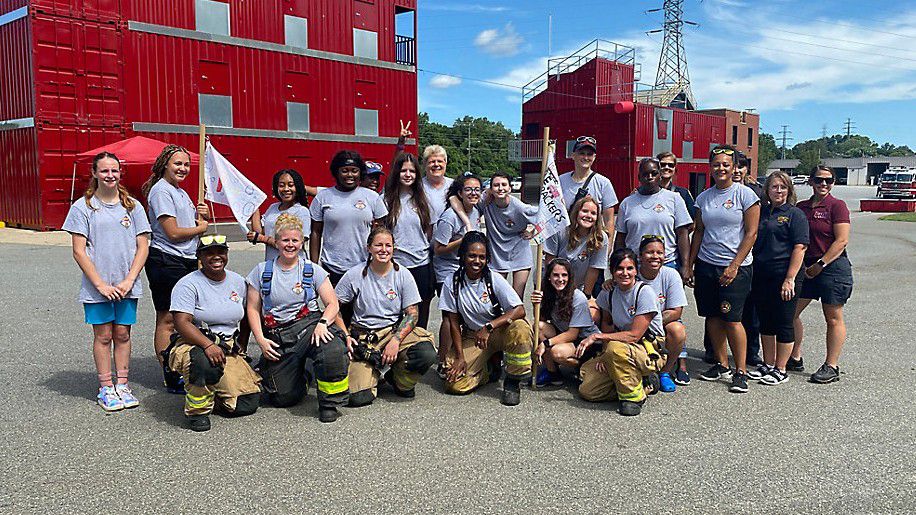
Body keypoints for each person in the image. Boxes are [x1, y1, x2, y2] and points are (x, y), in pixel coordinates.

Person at [62, 152, 151, 411]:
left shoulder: (133, 207)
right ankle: (106, 387)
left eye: (114, 170)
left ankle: (122, 384)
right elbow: (79, 251)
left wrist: (129, 280)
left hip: (126, 285)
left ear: (120, 173)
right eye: (104, 171)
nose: (110, 175)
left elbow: (143, 246)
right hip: (97, 287)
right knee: (103, 336)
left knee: (122, 334)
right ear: (94, 173)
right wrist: (100, 285)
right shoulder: (83, 207)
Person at [246, 214, 351, 422]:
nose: (290, 245)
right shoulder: (261, 271)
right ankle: (306, 372)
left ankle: (329, 403)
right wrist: (260, 339)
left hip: (309, 326)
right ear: (276, 242)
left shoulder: (312, 270)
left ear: (302, 242)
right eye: (285, 240)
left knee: (331, 348)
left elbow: (332, 304)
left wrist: (323, 324)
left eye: (295, 240)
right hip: (278, 334)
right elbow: (252, 309)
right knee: (283, 397)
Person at [683, 145, 760, 393]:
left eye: (726, 164)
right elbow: (699, 232)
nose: (721, 168)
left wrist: (734, 265)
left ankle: (741, 371)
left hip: (734, 267)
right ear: (710, 167)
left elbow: (751, 233)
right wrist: (690, 265)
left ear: (734, 167)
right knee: (712, 317)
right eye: (716, 164)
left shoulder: (745, 195)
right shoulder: (704, 198)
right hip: (707, 264)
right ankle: (721, 364)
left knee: (732, 319)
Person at [167, 235, 261, 432]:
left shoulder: (237, 281)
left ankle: (215, 392)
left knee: (247, 403)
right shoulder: (188, 284)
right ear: (199, 257)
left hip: (227, 346)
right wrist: (208, 345)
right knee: (202, 363)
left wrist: (242, 343)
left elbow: (246, 316)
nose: (216, 257)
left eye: (221, 252)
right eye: (209, 253)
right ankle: (198, 412)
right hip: (193, 344)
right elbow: (181, 323)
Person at [335, 227, 437, 407]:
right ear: (369, 248)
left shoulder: (403, 274)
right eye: (378, 245)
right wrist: (346, 335)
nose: (383, 250)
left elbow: (413, 314)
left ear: (393, 248)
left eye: (388, 245)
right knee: (358, 398)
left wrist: (396, 340)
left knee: (425, 353)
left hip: (392, 332)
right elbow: (333, 307)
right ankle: (372, 374)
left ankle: (398, 379)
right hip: (365, 337)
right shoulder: (354, 274)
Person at [141, 144, 210, 392]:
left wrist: (200, 216)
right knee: (168, 318)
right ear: (165, 165)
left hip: (186, 259)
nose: (183, 168)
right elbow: (172, 232)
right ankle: (169, 373)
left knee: (185, 316)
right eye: (178, 163)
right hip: (167, 259)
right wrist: (201, 228)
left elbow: (185, 224)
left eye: (186, 164)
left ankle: (182, 364)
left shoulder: (179, 191)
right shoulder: (161, 191)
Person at [439, 232, 533, 406]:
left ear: (487, 259)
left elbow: (520, 310)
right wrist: (459, 357)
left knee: (520, 328)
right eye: (472, 256)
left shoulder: (494, 279)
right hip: (473, 337)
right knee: (453, 382)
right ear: (462, 256)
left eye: (482, 257)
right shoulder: (452, 282)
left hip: (497, 332)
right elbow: (453, 322)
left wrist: (489, 327)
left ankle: (513, 381)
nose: (477, 261)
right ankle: (489, 370)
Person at [579, 248, 665, 416]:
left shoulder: (644, 292)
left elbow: (634, 335)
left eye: (630, 268)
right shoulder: (609, 292)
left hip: (648, 349)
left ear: (636, 271)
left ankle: (633, 398)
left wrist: (597, 337)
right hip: (622, 348)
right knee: (588, 389)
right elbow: (607, 324)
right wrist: (605, 355)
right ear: (612, 272)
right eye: (619, 269)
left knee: (615, 349)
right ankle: (641, 383)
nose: (625, 273)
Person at [791, 165, 852, 384]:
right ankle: (795, 357)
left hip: (832, 267)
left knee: (833, 317)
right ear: (811, 181)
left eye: (828, 180)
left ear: (833, 183)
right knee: (791, 313)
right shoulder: (801, 207)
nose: (823, 184)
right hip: (806, 268)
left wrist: (821, 264)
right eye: (818, 180)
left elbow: (842, 240)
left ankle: (831, 366)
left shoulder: (837, 206)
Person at [750, 172, 808, 385]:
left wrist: (789, 278)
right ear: (767, 190)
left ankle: (781, 369)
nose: (778, 191)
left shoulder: (795, 214)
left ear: (789, 190)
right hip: (762, 274)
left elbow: (800, 247)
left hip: (785, 275)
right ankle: (768, 363)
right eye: (774, 187)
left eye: (783, 187)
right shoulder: (762, 212)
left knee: (783, 321)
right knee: (765, 321)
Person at [309, 150, 388, 288]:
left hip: (364, 266)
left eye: (354, 171)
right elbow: (315, 232)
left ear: (360, 173)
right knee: (334, 302)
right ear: (336, 172)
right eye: (345, 171)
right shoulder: (323, 197)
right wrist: (314, 266)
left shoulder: (372, 197)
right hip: (331, 267)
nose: (350, 175)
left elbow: (381, 232)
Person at [433, 174, 484, 368]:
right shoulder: (449, 218)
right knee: (449, 316)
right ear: (460, 193)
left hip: (466, 269)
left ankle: (459, 353)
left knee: (463, 314)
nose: (473, 193)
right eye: (468, 189)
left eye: (476, 189)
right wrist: (463, 240)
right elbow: (438, 249)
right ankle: (442, 360)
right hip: (447, 270)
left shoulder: (474, 211)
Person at [382, 152, 436, 328]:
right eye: (403, 170)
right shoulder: (386, 199)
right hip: (396, 264)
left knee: (421, 312)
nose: (407, 174)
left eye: (412, 171)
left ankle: (420, 341)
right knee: (396, 311)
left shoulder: (424, 200)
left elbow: (429, 231)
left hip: (421, 264)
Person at [530, 258, 599, 387]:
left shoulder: (578, 297)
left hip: (584, 340)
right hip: (564, 333)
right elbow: (541, 320)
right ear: (549, 277)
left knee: (557, 352)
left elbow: (573, 334)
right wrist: (536, 305)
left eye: (564, 275)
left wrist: (545, 344)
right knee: (538, 326)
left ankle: (585, 366)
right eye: (555, 275)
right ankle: (553, 373)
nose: (560, 279)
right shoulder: (549, 293)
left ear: (570, 277)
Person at [614, 157, 692, 272]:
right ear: (639, 177)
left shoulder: (675, 198)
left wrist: (686, 266)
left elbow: (682, 234)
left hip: (667, 264)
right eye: (645, 174)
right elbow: (620, 239)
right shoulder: (627, 203)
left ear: (660, 175)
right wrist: (616, 265)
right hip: (635, 266)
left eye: (654, 173)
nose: (650, 177)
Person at [635, 236, 690, 390]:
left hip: (658, 323)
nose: (655, 256)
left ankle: (665, 372)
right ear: (640, 256)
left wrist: (649, 323)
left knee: (678, 330)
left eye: (659, 253)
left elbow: (676, 311)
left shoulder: (671, 275)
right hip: (632, 323)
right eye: (650, 252)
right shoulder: (630, 273)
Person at [478, 172, 537, 298]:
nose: (500, 188)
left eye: (504, 185)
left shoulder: (520, 207)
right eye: (496, 185)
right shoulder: (486, 202)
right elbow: (462, 201)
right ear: (490, 189)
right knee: (496, 296)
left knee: (516, 297)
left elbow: (544, 217)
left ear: (510, 188)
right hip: (496, 253)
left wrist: (533, 232)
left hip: (520, 252)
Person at [733, 151, 765, 367]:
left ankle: (752, 352)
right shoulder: (716, 191)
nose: (737, 170)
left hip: (753, 257)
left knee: (750, 308)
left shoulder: (757, 193)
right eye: (734, 166)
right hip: (726, 257)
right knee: (718, 309)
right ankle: (713, 350)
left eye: (741, 166)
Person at [544, 195, 609, 298]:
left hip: (578, 286)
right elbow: (550, 261)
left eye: (593, 213)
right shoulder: (560, 230)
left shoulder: (601, 238)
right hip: (552, 280)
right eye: (584, 211)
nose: (588, 215)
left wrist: (587, 295)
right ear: (576, 212)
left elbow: (594, 269)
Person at [559, 136, 618, 235]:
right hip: (565, 238)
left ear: (594, 157)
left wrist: (608, 243)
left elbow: (609, 221)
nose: (586, 158)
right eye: (581, 153)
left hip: (593, 240)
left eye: (589, 154)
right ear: (573, 155)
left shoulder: (603, 183)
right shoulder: (560, 181)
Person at [248, 169, 311, 261]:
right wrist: (255, 206)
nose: (286, 189)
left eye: (291, 185)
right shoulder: (272, 208)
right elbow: (259, 233)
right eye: (281, 185)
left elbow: (297, 244)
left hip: (293, 265)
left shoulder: (302, 211)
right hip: (271, 263)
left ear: (298, 187)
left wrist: (263, 239)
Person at [657, 151, 696, 220]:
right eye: (662, 164)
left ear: (675, 168)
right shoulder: (645, 192)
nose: (666, 167)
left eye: (670, 165)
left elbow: (693, 219)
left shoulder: (683, 194)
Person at [422, 144, 454, 220]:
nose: (436, 164)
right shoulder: (417, 186)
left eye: (440, 161)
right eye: (432, 161)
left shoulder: (454, 185)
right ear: (425, 164)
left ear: (445, 163)